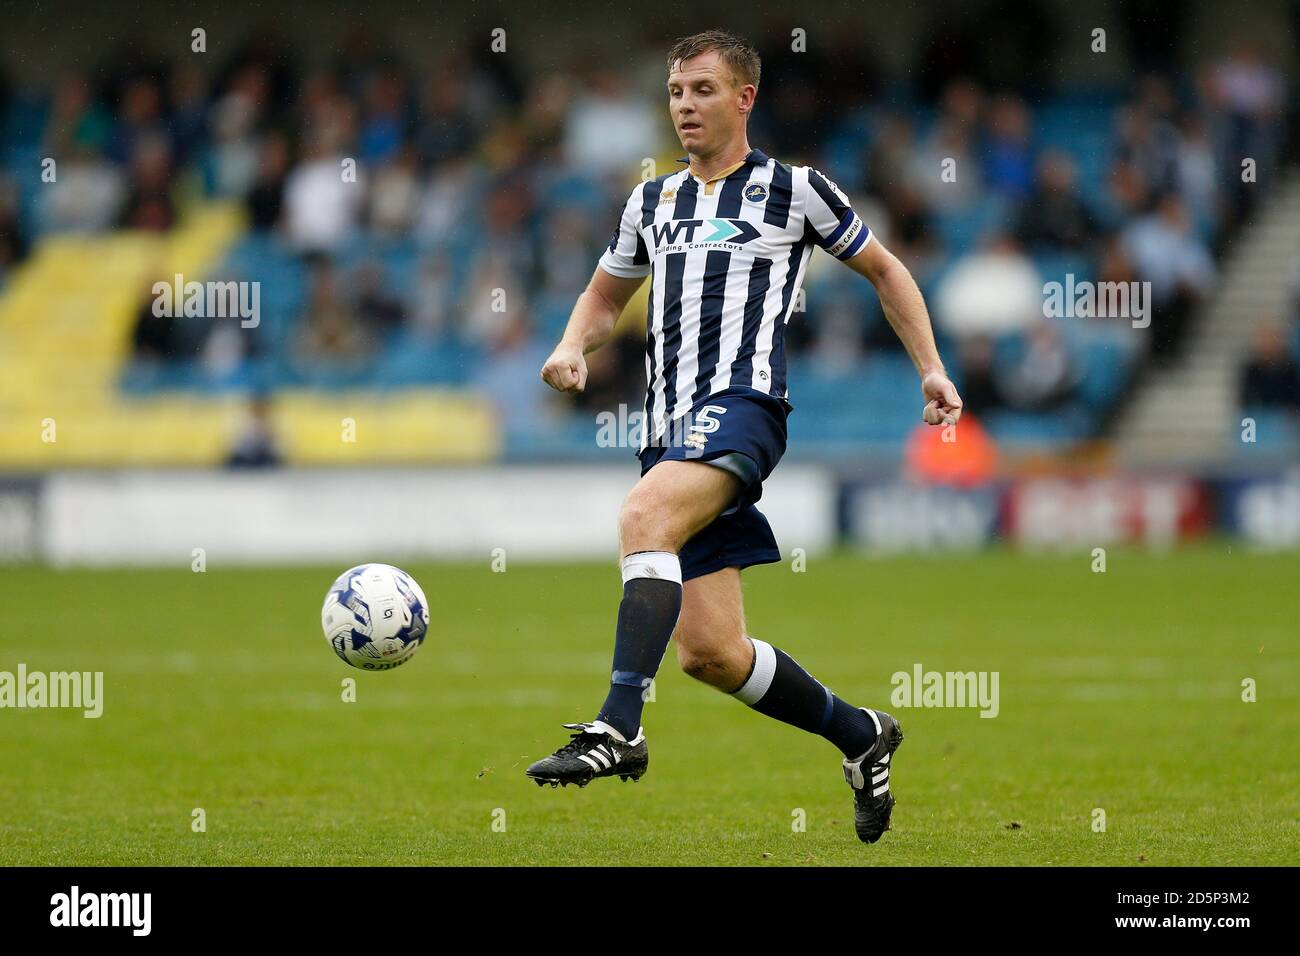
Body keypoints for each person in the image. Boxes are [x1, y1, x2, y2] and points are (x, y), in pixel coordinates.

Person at [530, 30, 962, 844]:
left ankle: (618, 726)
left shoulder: (797, 191)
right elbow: (602, 295)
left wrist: (931, 369)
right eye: (675, 93)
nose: (685, 106)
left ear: (744, 98)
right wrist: (569, 347)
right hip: (668, 427)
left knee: (643, 519)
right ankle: (862, 735)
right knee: (713, 655)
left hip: (744, 406)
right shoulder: (650, 201)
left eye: (701, 90)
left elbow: (887, 270)